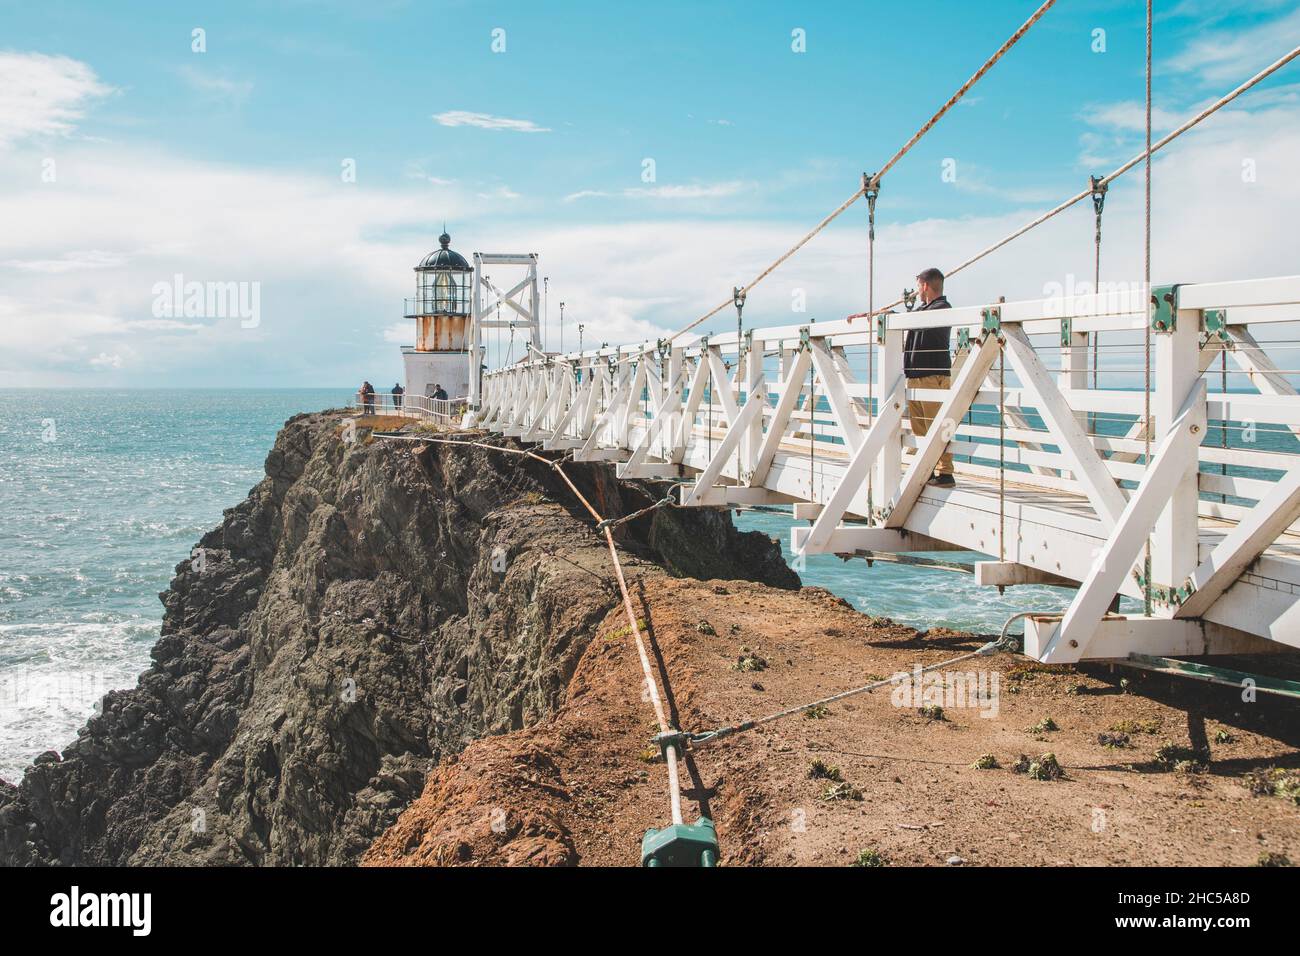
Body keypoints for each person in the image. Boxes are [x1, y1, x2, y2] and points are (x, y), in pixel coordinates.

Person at [904, 268, 955, 487]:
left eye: (917, 286)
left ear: (924, 286)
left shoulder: (942, 307)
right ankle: (930, 469)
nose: (916, 292)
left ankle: (945, 473)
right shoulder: (924, 309)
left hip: (932, 376)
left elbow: (918, 319)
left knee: (937, 425)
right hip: (917, 377)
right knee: (921, 428)